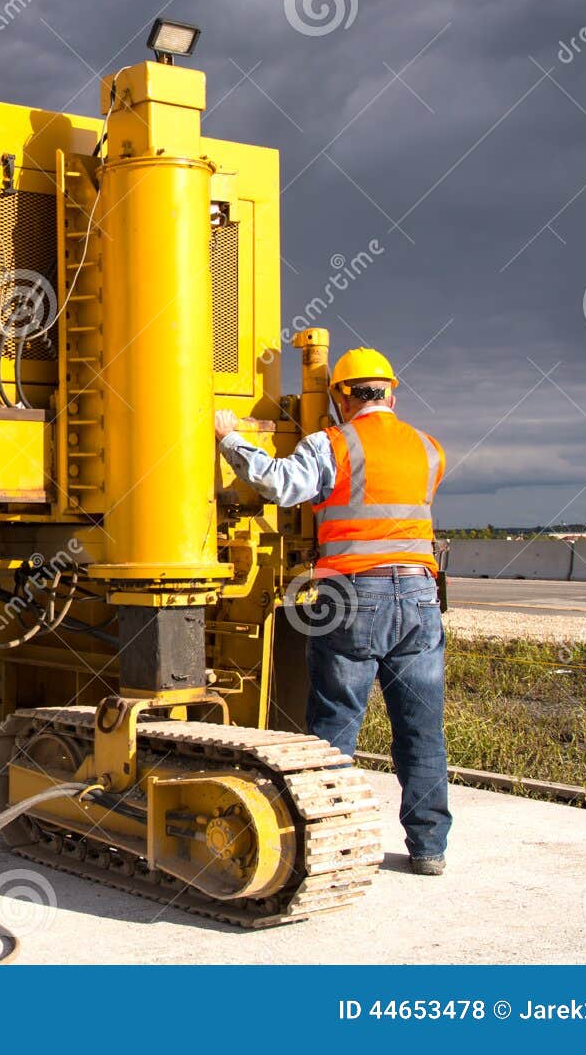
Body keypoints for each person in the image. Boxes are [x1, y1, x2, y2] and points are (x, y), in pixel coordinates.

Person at [214, 347, 450, 876]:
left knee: (336, 724)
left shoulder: (331, 442)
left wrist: (230, 438)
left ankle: (326, 843)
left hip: (353, 595)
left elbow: (280, 484)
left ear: (341, 396)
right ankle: (429, 848)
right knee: (420, 727)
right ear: (392, 391)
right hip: (418, 595)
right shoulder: (428, 448)